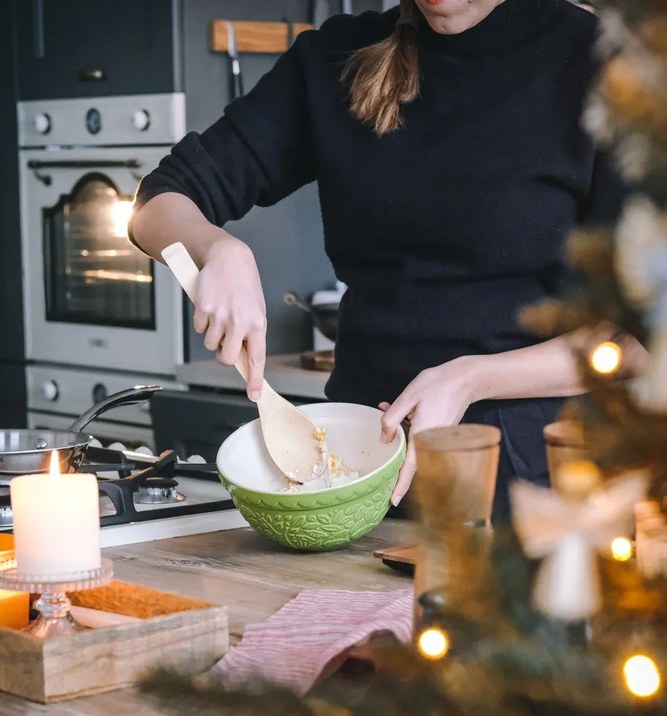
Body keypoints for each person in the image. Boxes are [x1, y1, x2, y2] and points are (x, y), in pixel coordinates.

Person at [130, 0, 645, 515]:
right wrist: (216, 247)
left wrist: (471, 378)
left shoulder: (604, 62)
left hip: (542, 489)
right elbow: (159, 199)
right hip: (356, 474)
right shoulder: (334, 59)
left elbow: (642, 339)